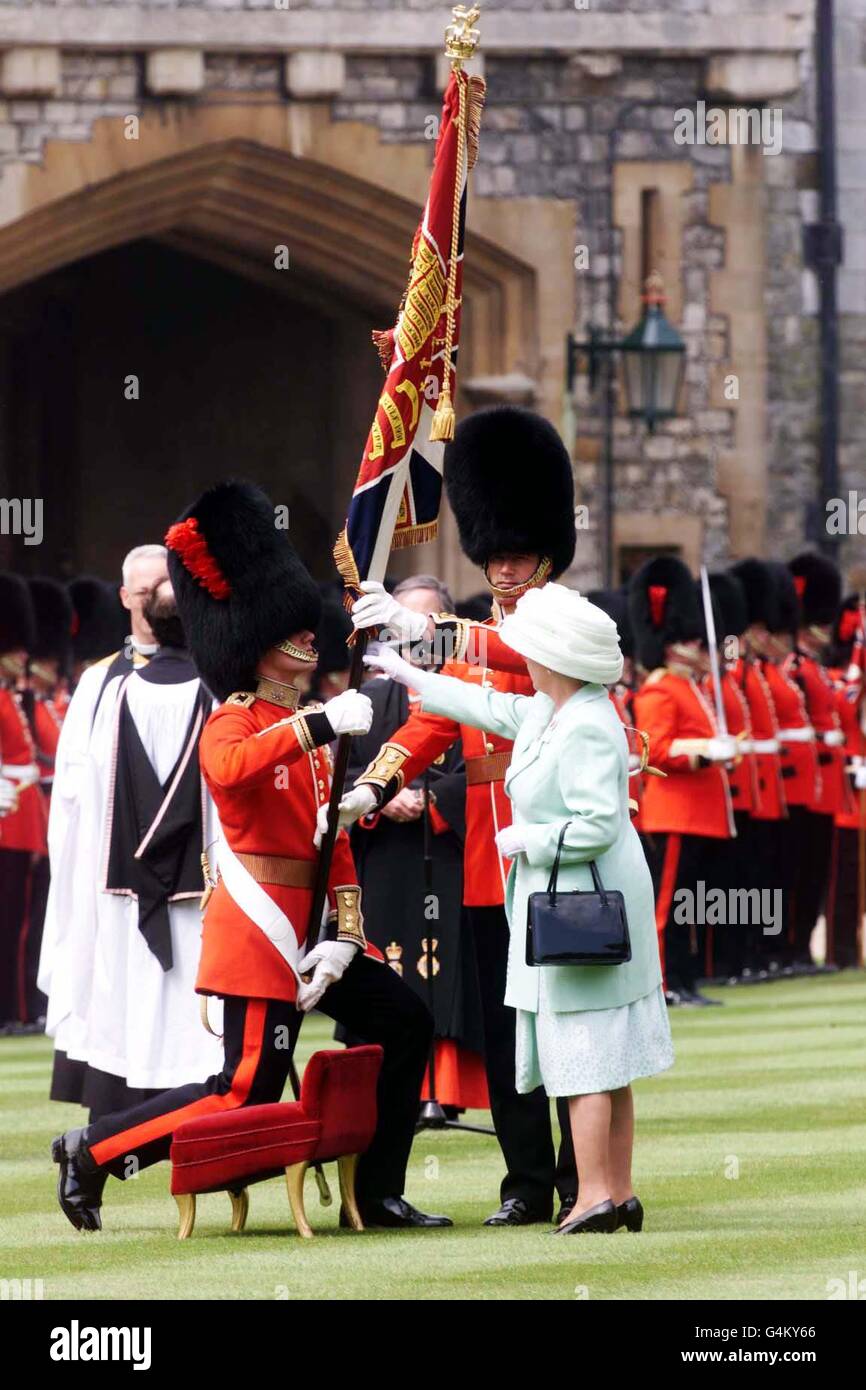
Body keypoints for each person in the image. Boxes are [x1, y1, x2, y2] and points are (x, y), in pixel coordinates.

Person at [51, 480, 449, 1234]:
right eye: (290, 635)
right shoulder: (234, 717)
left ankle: (379, 1191)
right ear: (254, 643)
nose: (307, 643)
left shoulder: (312, 723)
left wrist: (343, 938)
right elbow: (230, 772)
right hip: (257, 931)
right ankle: (96, 1151)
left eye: (308, 634)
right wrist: (322, 725)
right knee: (242, 1090)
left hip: (307, 934)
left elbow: (330, 843)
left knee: (403, 1022)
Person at [360, 582, 673, 1234]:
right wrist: (404, 667)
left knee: (585, 1046)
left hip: (581, 897)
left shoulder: (587, 721)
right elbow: (481, 703)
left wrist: (528, 837)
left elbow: (595, 822)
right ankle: (614, 1190)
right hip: (570, 891)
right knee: (599, 1053)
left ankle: (591, 1196)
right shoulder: (556, 710)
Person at [344, 406, 578, 1228]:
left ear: (547, 556)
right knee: (510, 1029)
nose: (507, 571)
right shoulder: (476, 636)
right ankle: (526, 1182)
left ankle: (584, 1175)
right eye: (498, 557)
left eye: (518, 556)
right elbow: (434, 717)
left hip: (551, 849)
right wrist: (375, 783)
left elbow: (506, 667)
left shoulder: (562, 637)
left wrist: (427, 632)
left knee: (565, 1020)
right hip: (488, 857)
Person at [345, 573, 488, 1112]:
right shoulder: (368, 696)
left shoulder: (468, 688)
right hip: (387, 856)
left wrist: (434, 801)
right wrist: (380, 800)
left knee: (445, 965)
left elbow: (486, 764)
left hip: (449, 850)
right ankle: (388, 1090)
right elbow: (347, 771)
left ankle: (443, 1091)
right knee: (390, 965)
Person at [629, 557, 735, 1007]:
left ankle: (686, 980)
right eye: (689, 639)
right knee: (668, 906)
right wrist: (706, 752)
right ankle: (666, 983)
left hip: (701, 814)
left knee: (690, 904)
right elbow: (658, 751)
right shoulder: (659, 689)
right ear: (673, 645)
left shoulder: (693, 688)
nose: (698, 645)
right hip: (675, 811)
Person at [0, 574, 47, 1032]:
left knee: (20, 923)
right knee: (11, 924)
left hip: (22, 819)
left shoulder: (11, 697)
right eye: (15, 650)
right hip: (8, 819)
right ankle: (10, 1010)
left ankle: (16, 1008)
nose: (24, 657)